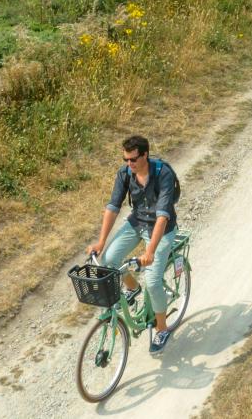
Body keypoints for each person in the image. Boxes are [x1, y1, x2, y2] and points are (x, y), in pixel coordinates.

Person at [87, 135, 179, 354]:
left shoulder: (163, 174)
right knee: (108, 261)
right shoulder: (125, 173)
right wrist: (101, 242)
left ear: (145, 155)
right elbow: (113, 207)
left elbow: (162, 216)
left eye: (133, 159)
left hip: (162, 229)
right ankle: (133, 287)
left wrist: (149, 252)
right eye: (126, 159)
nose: (129, 164)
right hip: (137, 222)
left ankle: (162, 329)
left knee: (153, 281)